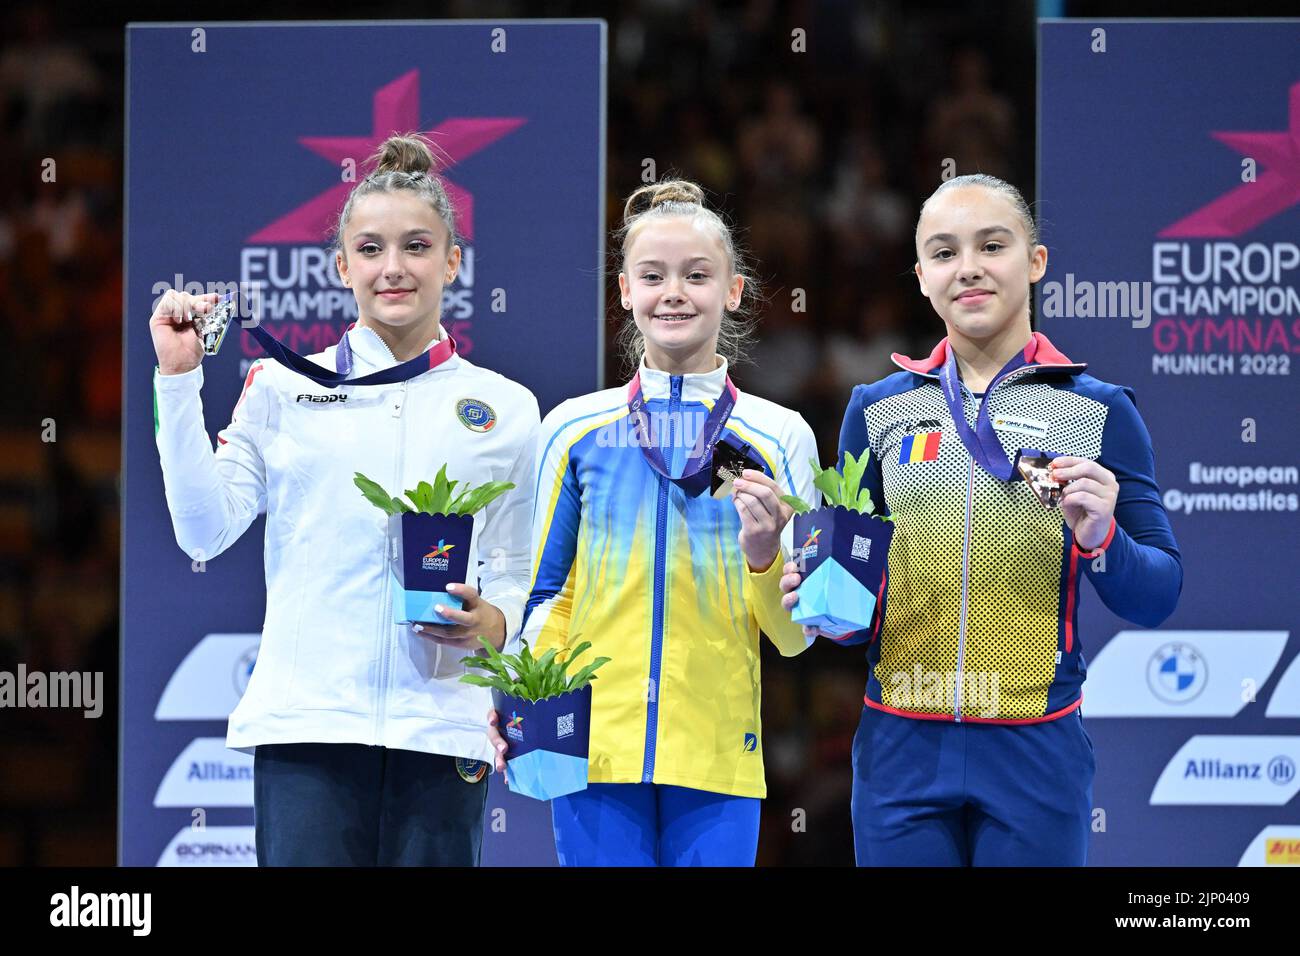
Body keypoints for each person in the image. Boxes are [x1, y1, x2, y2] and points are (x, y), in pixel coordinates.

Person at [150, 133, 540, 866]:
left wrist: (499, 620)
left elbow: (522, 566)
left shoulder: (507, 408)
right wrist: (178, 383)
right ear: (341, 266)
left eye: (417, 246)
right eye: (370, 249)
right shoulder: (281, 387)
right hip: (309, 729)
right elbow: (202, 532)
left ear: (453, 261)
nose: (393, 268)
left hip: (441, 731)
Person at [781, 173, 1182, 866]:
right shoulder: (875, 410)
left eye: (991, 245)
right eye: (943, 253)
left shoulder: (1101, 411)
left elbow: (1158, 593)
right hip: (900, 749)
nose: (967, 267)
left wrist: (1101, 538)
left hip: (1037, 747)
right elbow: (847, 618)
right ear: (921, 278)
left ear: (1035, 261)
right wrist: (819, 597)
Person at [488, 180, 819, 866]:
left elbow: (793, 638)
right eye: (654, 275)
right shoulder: (575, 429)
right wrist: (517, 692)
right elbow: (544, 592)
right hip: (592, 747)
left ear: (733, 290)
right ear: (624, 291)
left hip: (718, 754)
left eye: (698, 275)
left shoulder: (778, 435)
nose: (675, 292)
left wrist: (762, 555)